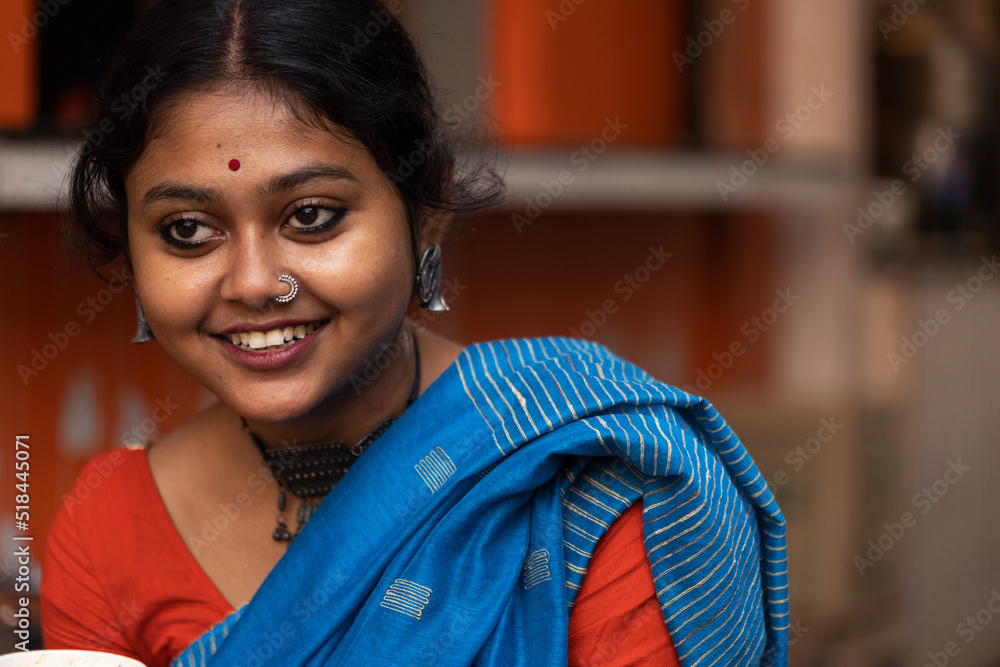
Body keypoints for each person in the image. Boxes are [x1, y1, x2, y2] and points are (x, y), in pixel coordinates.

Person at [40, 1, 789, 665]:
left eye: (311, 215)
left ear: (424, 206)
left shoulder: (593, 478)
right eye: (187, 229)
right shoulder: (109, 537)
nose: (255, 282)